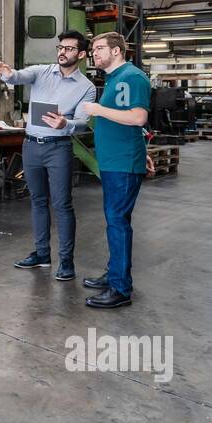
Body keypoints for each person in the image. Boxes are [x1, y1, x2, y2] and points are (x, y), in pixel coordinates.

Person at [0, 31, 96, 282]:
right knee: (38, 201)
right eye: (61, 47)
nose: (62, 52)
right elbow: (18, 76)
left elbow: (84, 123)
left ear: (81, 55)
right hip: (31, 146)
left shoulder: (87, 88)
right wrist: (7, 73)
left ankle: (66, 261)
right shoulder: (41, 71)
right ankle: (41, 254)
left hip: (58, 148)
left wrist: (66, 124)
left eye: (69, 49)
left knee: (62, 204)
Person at [82, 32, 151, 309]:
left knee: (118, 222)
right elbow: (132, 122)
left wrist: (98, 109)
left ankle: (120, 288)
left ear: (117, 51)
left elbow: (138, 116)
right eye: (93, 49)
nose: (94, 53)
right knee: (114, 221)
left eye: (99, 49)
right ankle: (114, 274)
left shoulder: (131, 77)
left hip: (122, 163)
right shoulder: (114, 78)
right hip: (116, 161)